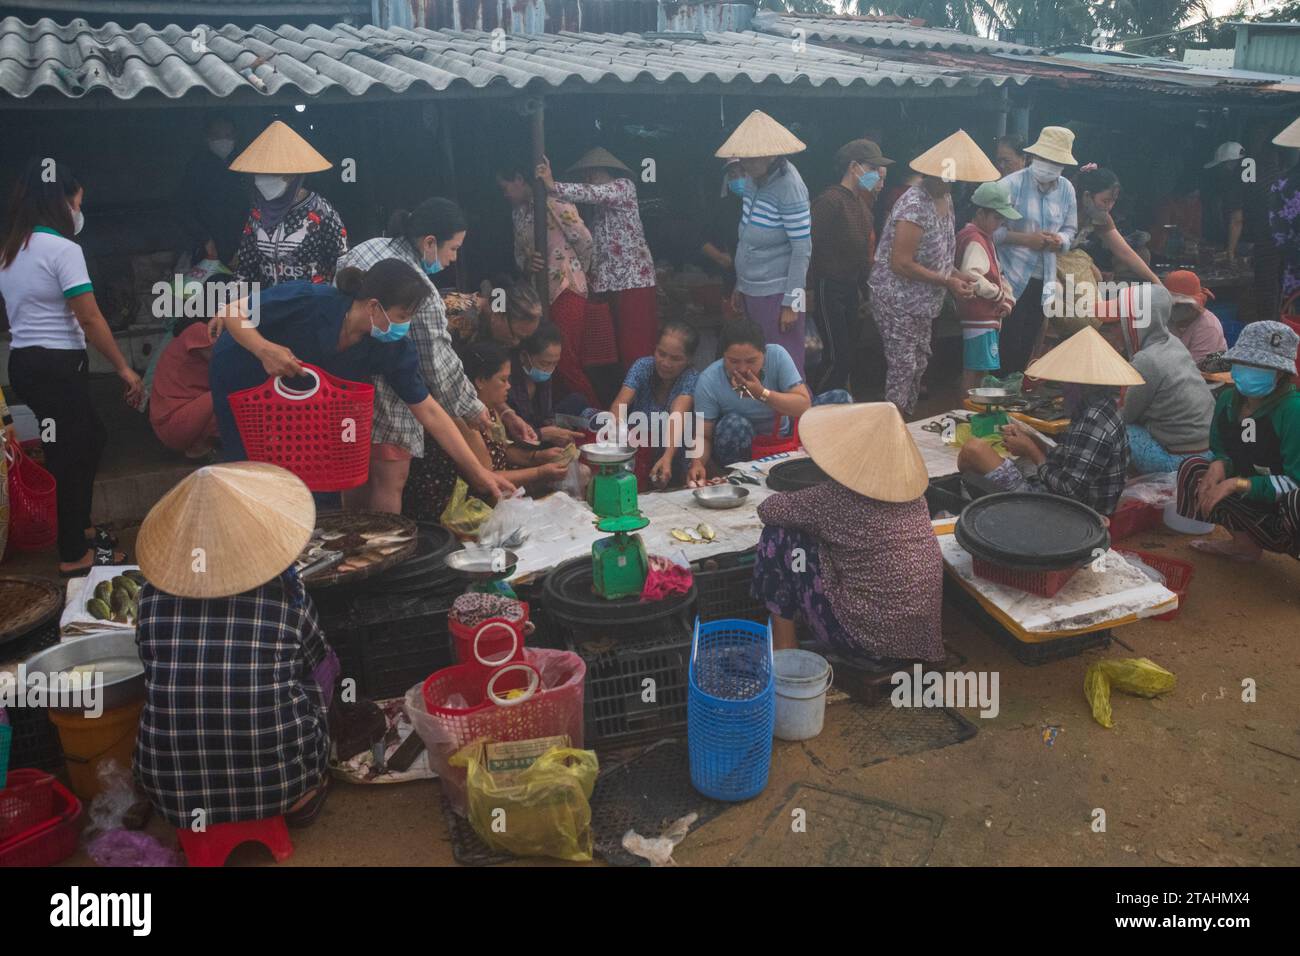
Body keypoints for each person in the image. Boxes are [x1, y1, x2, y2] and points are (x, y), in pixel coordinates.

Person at [207, 259, 515, 502]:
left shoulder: (392, 345)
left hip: (297, 397)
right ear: (373, 306)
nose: (404, 326)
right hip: (242, 368)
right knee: (251, 467)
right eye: (402, 315)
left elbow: (429, 410)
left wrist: (478, 472)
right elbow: (233, 312)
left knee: (308, 474)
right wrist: (266, 350)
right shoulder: (312, 300)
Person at [134, 463, 337, 829]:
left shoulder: (150, 598)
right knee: (320, 672)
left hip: (170, 792)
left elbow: (152, 671)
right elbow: (317, 664)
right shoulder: (286, 595)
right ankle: (303, 798)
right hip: (280, 785)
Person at [335, 199, 532, 514]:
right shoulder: (420, 289)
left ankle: (357, 550)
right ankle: (385, 555)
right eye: (453, 249)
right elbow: (436, 364)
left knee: (354, 475)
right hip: (389, 389)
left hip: (343, 379)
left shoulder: (366, 249)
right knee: (390, 480)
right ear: (429, 242)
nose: (454, 259)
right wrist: (471, 407)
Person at [0, 159, 143, 575]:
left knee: (88, 438)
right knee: (69, 453)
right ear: (60, 203)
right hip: (58, 365)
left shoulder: (12, 248)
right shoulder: (64, 250)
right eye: (77, 203)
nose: (80, 213)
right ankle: (72, 555)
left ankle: (79, 527)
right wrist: (124, 368)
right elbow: (91, 318)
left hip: (25, 363)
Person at [752, 402, 942, 666]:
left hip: (863, 642)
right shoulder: (913, 496)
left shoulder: (835, 499)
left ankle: (784, 646)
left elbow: (769, 510)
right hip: (917, 640)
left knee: (780, 537)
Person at [870, 130, 994, 416]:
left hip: (926, 302)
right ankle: (892, 427)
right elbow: (900, 262)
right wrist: (947, 281)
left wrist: (957, 275)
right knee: (903, 367)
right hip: (897, 299)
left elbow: (939, 256)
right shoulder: (914, 204)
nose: (952, 182)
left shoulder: (946, 201)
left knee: (920, 364)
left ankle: (906, 420)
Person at [957, 326, 1141, 516]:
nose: (1063, 389)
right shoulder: (1100, 407)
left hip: (1068, 515)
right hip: (1062, 498)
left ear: (1078, 385)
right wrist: (1032, 440)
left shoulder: (1093, 420)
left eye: (1066, 383)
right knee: (980, 456)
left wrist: (1032, 451)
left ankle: (975, 513)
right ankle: (977, 508)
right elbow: (1069, 460)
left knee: (974, 451)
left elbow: (1070, 491)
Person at [403, 341, 570, 522]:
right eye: (503, 380)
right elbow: (486, 480)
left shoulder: (490, 409)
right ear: (481, 381)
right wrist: (540, 472)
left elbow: (500, 451)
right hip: (450, 508)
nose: (509, 386)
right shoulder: (464, 419)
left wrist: (537, 456)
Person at [1175, 321, 1300, 561]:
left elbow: (1295, 482)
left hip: (1284, 508)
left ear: (1281, 374)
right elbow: (1225, 450)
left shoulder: (1292, 411)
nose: (1250, 369)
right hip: (1255, 503)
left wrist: (1237, 484)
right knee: (1195, 469)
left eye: (1261, 366)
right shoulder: (1227, 401)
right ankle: (1244, 545)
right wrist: (1220, 465)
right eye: (1245, 362)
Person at [686, 319, 849, 481]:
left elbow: (803, 404)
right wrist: (697, 463)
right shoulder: (709, 380)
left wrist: (761, 393)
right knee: (733, 424)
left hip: (786, 435)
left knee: (841, 400)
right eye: (734, 361)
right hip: (745, 445)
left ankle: (832, 471)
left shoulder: (777, 355)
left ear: (764, 354)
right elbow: (702, 435)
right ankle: (738, 479)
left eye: (751, 361)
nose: (742, 369)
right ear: (723, 357)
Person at [538, 149, 658, 364]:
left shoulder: (624, 187)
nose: (587, 177)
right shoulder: (596, 212)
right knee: (613, 349)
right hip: (608, 285)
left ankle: (640, 394)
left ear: (606, 170)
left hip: (634, 282)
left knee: (635, 347)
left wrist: (553, 185)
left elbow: (593, 193)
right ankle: (622, 395)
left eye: (592, 172)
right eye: (585, 173)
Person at [716, 110, 813, 375]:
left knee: (784, 365)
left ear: (771, 154)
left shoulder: (790, 185)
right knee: (758, 362)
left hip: (778, 292)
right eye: (744, 156)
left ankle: (790, 416)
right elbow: (747, 239)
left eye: (752, 157)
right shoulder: (751, 179)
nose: (745, 163)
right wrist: (740, 283)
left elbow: (802, 249)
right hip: (752, 289)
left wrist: (792, 303)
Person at [496, 160, 599, 407]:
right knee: (541, 356)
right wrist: (527, 263)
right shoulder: (518, 213)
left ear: (520, 179)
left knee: (563, 359)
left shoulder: (553, 200)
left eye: (505, 187)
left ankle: (596, 416)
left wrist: (575, 269)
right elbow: (519, 255)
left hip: (567, 289)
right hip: (537, 297)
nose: (505, 194)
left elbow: (584, 240)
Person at [995, 126, 1080, 374]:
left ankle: (1014, 394)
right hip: (1010, 277)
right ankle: (997, 394)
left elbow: (1070, 229)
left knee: (1027, 342)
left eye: (1055, 161)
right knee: (1006, 342)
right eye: (1045, 159)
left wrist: (1059, 240)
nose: (1049, 165)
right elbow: (990, 232)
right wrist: (1026, 239)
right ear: (1033, 157)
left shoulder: (1066, 189)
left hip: (1044, 278)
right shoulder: (1010, 184)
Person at [809, 139, 891, 392]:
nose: (877, 174)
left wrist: (865, 294)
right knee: (837, 357)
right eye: (873, 167)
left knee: (847, 357)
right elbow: (807, 246)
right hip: (827, 287)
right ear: (854, 166)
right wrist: (806, 289)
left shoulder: (862, 206)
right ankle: (812, 411)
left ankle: (832, 407)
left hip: (850, 289)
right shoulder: (830, 200)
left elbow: (862, 256)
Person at [1108, 284, 1214, 473]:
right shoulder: (1173, 343)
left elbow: (1127, 415)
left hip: (1179, 462)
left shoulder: (1147, 359)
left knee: (1112, 427)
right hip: (1208, 452)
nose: (1114, 330)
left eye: (1117, 323)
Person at [231, 121, 347, 288]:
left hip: (310, 305)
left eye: (271, 174)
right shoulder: (258, 212)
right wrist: (233, 302)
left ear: (292, 176)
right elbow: (246, 266)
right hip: (268, 304)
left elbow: (341, 263)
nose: (263, 179)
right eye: (261, 173)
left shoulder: (322, 212)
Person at [609, 320, 701, 486]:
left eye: (675, 358)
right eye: (661, 353)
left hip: (675, 453)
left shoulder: (691, 378)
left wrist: (667, 457)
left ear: (689, 359)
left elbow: (677, 416)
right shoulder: (643, 366)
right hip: (639, 449)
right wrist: (618, 442)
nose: (666, 363)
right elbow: (619, 405)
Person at [955, 180, 1020, 392]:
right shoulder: (975, 239)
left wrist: (1007, 298)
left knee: (981, 370)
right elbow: (972, 276)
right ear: (981, 213)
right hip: (978, 315)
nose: (1000, 223)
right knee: (974, 371)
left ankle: (970, 411)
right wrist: (999, 295)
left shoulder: (982, 237)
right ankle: (966, 412)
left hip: (985, 315)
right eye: (997, 217)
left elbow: (998, 273)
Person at [175, 114, 247, 266]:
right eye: (217, 136)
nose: (223, 140)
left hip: (238, 243)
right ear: (207, 138)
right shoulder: (196, 167)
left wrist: (245, 241)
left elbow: (247, 205)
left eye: (228, 135)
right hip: (205, 246)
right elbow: (183, 208)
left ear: (236, 136)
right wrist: (205, 239)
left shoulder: (242, 164)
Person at [1072, 166, 1161, 284]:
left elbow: (1125, 253)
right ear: (1087, 196)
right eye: (1105, 201)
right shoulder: (1065, 211)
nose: (1109, 207)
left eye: (1113, 201)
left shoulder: (1102, 218)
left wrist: (1157, 282)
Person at [506, 323, 585, 446]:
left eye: (555, 363)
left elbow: (546, 415)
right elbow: (509, 435)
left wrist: (555, 430)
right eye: (545, 363)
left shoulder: (544, 376)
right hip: (521, 440)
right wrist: (542, 434)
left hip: (540, 429)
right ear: (524, 356)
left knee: (577, 401)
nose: (549, 369)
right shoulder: (508, 381)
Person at [148, 321, 218, 458]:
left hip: (180, 421)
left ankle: (204, 446)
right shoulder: (199, 331)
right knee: (232, 390)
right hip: (174, 421)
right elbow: (231, 362)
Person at [1164, 269, 1227, 364]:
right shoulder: (1167, 320)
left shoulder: (1207, 326)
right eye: (1168, 303)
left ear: (1192, 307)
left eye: (1177, 305)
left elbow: (1195, 367)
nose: (1170, 308)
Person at [1202, 141, 1246, 264]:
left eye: (1219, 166)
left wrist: (1230, 252)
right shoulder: (1251, 177)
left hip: (1244, 243)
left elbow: (1237, 220)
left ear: (1228, 164)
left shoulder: (1235, 184)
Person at [1147, 167, 1203, 256]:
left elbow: (1196, 228)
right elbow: (1165, 226)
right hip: (1165, 240)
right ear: (1181, 195)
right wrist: (1183, 235)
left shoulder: (1197, 205)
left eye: (1197, 197)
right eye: (1191, 197)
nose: (1194, 200)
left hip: (1187, 240)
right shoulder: (1166, 203)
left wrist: (1195, 239)